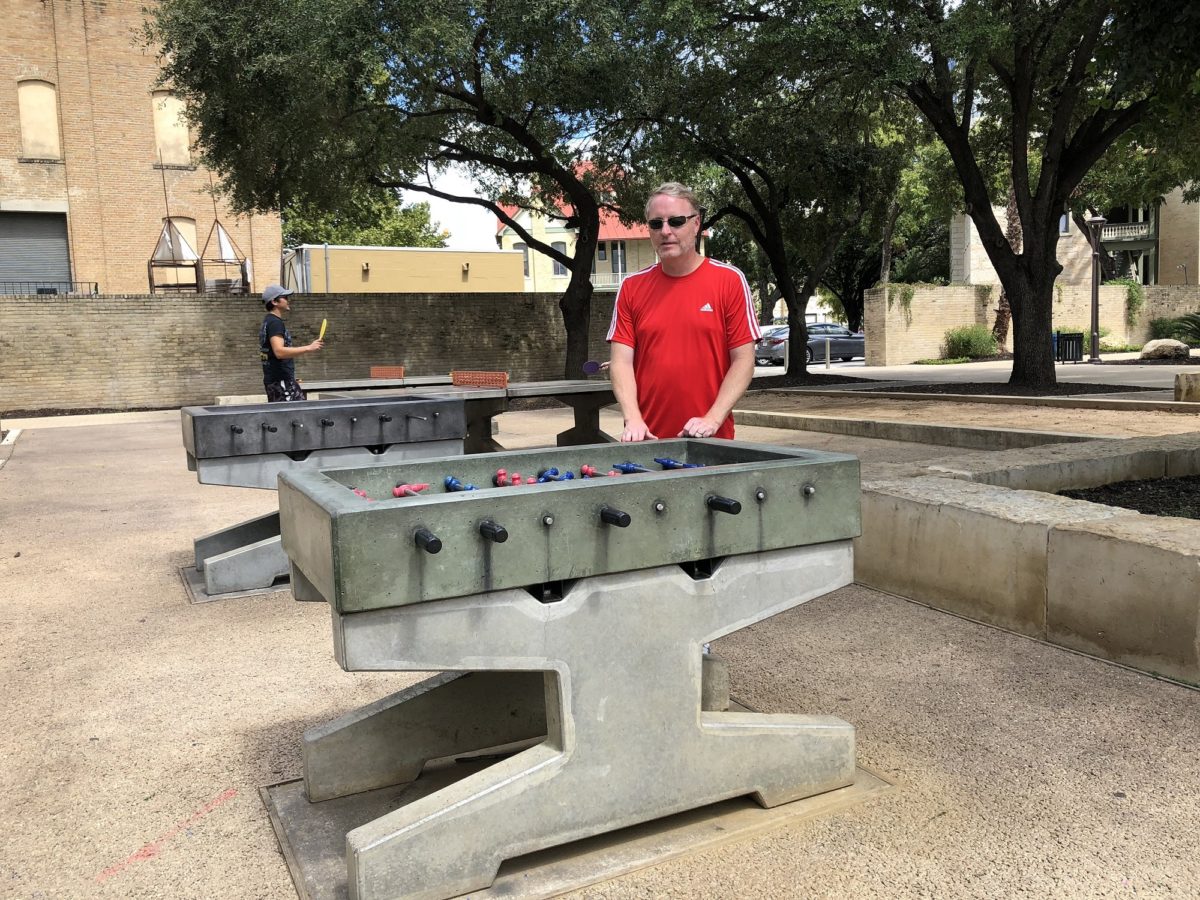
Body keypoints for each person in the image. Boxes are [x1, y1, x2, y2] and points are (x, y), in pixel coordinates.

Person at [606, 182, 760, 441]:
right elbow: (621, 362)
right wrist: (633, 419)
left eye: (676, 221)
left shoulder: (730, 281)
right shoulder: (631, 287)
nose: (666, 231)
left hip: (712, 441)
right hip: (648, 441)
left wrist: (712, 419)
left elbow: (744, 361)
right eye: (656, 224)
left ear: (696, 223)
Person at [259, 284, 322, 402]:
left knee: (288, 416)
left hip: (279, 380)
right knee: (296, 416)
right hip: (281, 381)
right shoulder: (275, 323)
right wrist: (309, 348)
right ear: (274, 302)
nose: (288, 300)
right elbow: (279, 352)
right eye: (285, 297)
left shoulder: (268, 321)